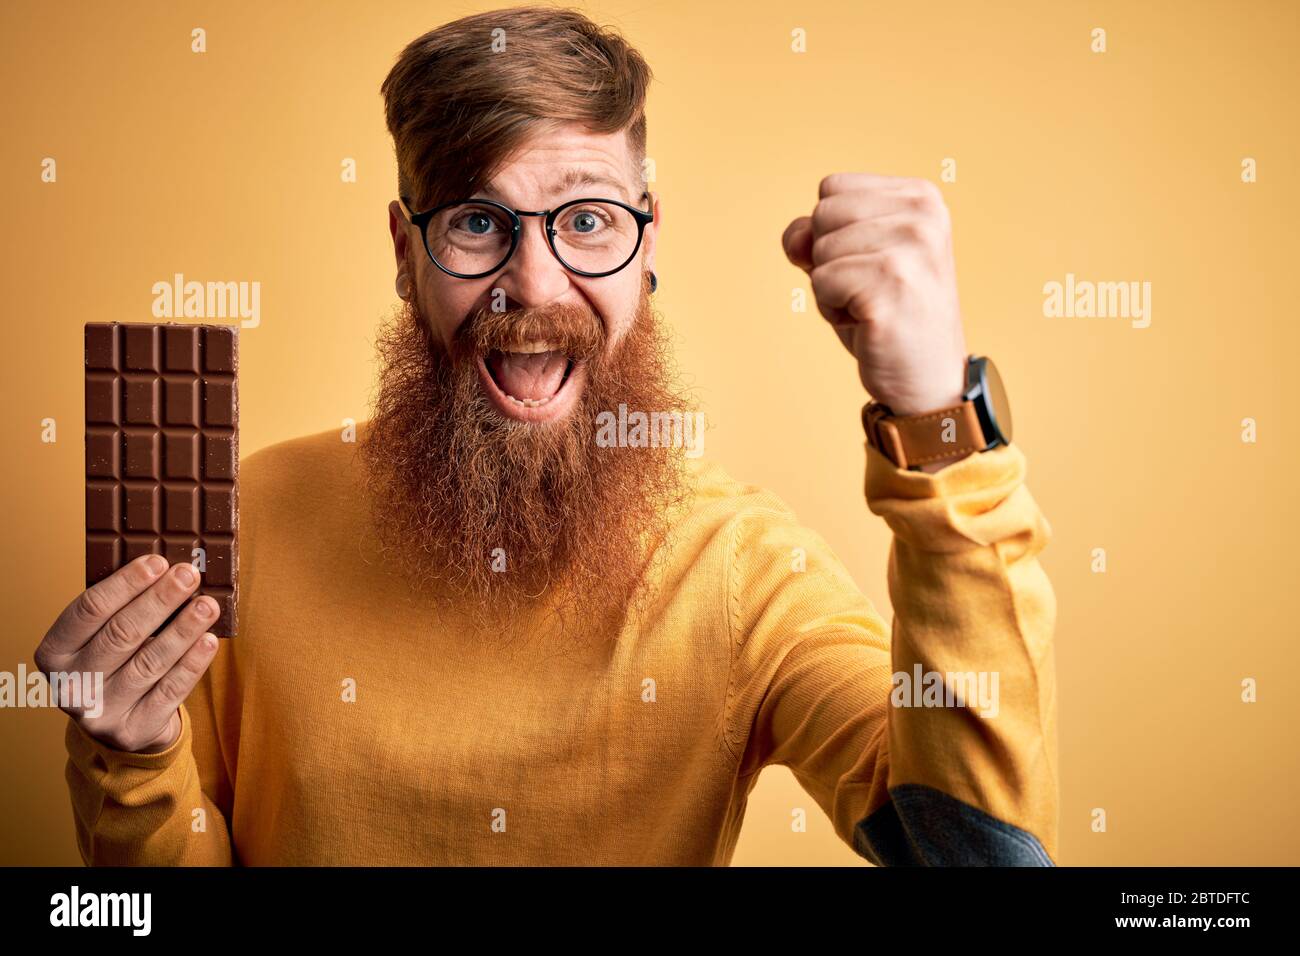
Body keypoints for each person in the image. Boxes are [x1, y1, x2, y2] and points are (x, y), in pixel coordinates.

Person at [36, 5, 1057, 866]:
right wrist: (129, 757)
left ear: (646, 240)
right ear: (406, 253)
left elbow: (971, 856)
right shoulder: (250, 517)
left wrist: (937, 421)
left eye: (587, 220)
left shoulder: (746, 571)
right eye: (478, 222)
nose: (533, 283)